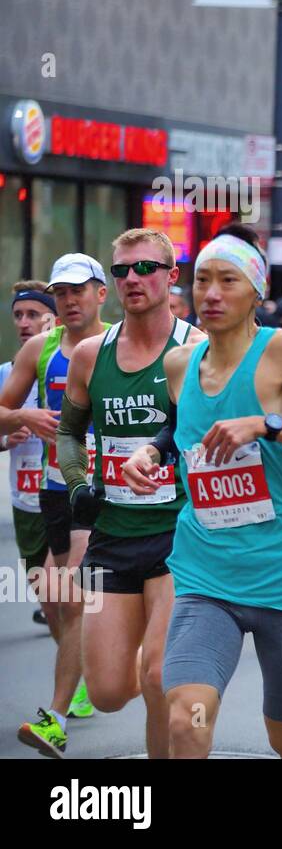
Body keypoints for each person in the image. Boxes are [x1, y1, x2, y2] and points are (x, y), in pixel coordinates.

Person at [119, 224, 282, 759]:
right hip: (205, 572)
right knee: (186, 721)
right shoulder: (179, 363)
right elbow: (182, 428)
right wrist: (151, 452)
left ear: (255, 292)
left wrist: (270, 426)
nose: (210, 294)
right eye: (202, 280)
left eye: (228, 281)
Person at [50, 231, 206, 760]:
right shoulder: (92, 355)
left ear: (171, 275)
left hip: (180, 533)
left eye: (145, 268)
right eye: (121, 272)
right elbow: (70, 433)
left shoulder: (196, 349)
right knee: (108, 693)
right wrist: (77, 487)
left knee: (159, 673)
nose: (133, 280)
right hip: (111, 536)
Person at [1, 255, 109, 756]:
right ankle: (100, 662)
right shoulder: (39, 352)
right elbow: (3, 413)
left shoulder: (119, 342)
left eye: (77, 292)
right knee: (59, 599)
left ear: (99, 294)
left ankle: (56, 717)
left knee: (71, 595)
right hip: (53, 489)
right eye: (60, 293)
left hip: (107, 488)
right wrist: (21, 414)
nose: (68, 301)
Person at [1, 284, 57, 629]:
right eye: (18, 315)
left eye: (33, 315)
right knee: (50, 607)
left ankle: (97, 676)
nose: (24, 323)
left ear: (52, 320)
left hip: (67, 495)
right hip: (26, 502)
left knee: (78, 598)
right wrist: (8, 436)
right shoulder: (6, 375)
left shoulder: (74, 363)